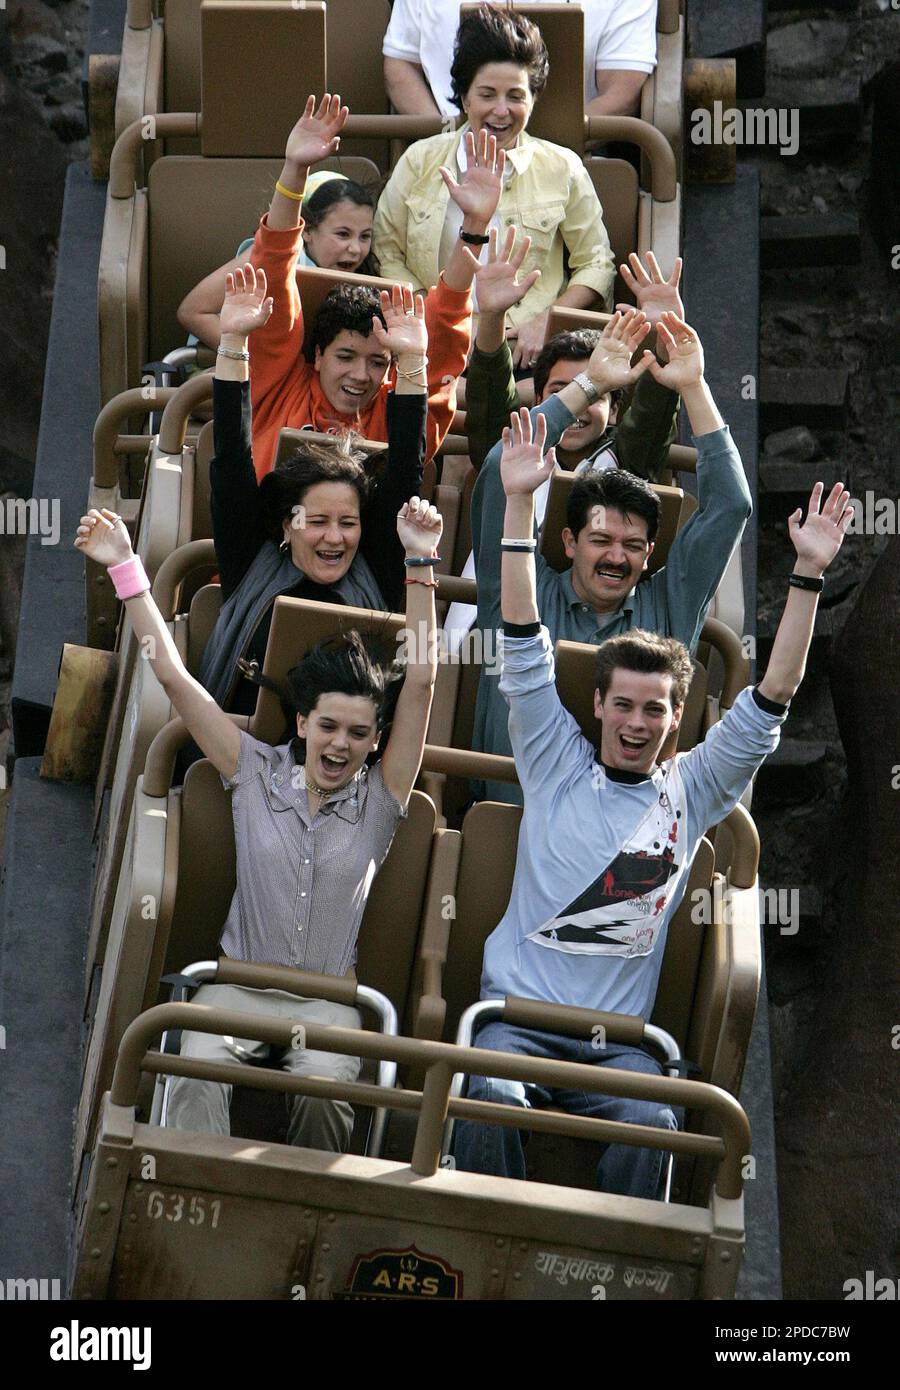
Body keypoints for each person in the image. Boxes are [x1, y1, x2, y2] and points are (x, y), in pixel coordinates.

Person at [453, 459, 853, 1196]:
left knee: (655, 1119)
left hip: (620, 1049)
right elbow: (519, 630)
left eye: (654, 710)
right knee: (489, 1098)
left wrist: (807, 575)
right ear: (598, 706)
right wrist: (516, 503)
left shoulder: (694, 789)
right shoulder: (552, 758)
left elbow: (776, 695)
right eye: (624, 706)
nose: (636, 724)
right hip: (515, 1024)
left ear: (676, 719)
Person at [74, 492, 444, 1154]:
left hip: (326, 1004)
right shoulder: (253, 770)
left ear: (374, 740)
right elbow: (174, 675)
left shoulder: (382, 798)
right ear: (302, 723)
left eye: (358, 733)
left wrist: (420, 561)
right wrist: (126, 568)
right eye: (328, 726)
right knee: (193, 1068)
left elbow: (420, 683)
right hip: (237, 987)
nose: (339, 744)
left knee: (332, 1086)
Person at [469, 308, 753, 803]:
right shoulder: (519, 596)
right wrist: (591, 383)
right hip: (509, 824)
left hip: (621, 841)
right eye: (600, 541)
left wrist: (695, 387)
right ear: (568, 542)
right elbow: (501, 466)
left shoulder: (667, 608)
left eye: (633, 547)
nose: (616, 558)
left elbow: (732, 505)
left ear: (649, 556)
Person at [200, 265, 429, 714]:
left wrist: (413, 362)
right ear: (288, 524)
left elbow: (405, 468)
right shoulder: (252, 559)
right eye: (318, 521)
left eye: (347, 523)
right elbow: (230, 459)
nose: (334, 537)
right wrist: (232, 343)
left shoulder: (373, 569)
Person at [245, 94, 500, 476]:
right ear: (317, 356)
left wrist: (476, 227)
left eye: (378, 362)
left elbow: (443, 331)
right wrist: (295, 170)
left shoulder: (397, 417)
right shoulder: (282, 388)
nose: (361, 376)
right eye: (345, 356)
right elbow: (274, 270)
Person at [375, 4, 616, 370]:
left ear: (533, 99)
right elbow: (386, 252)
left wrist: (546, 321)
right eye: (487, 95)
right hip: (428, 341)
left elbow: (596, 263)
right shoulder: (419, 161)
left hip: (525, 352)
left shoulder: (562, 166)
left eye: (516, 96)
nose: (501, 111)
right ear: (464, 96)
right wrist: (431, 314)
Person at [466, 247, 684, 474]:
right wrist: (492, 316)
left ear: (614, 411)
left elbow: (653, 413)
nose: (577, 407)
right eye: (560, 391)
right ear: (538, 400)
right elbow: (490, 397)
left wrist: (667, 337)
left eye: (594, 394)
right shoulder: (512, 453)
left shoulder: (627, 461)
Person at [177, 173, 380, 351]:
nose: (355, 249)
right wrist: (250, 360)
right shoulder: (270, 257)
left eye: (364, 237)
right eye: (343, 234)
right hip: (220, 370)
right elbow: (193, 312)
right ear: (307, 230)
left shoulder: (363, 281)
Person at [384, 0, 657, 122]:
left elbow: (622, 92)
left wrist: (542, 153)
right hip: (445, 162)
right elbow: (401, 64)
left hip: (569, 164)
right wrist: (447, 143)